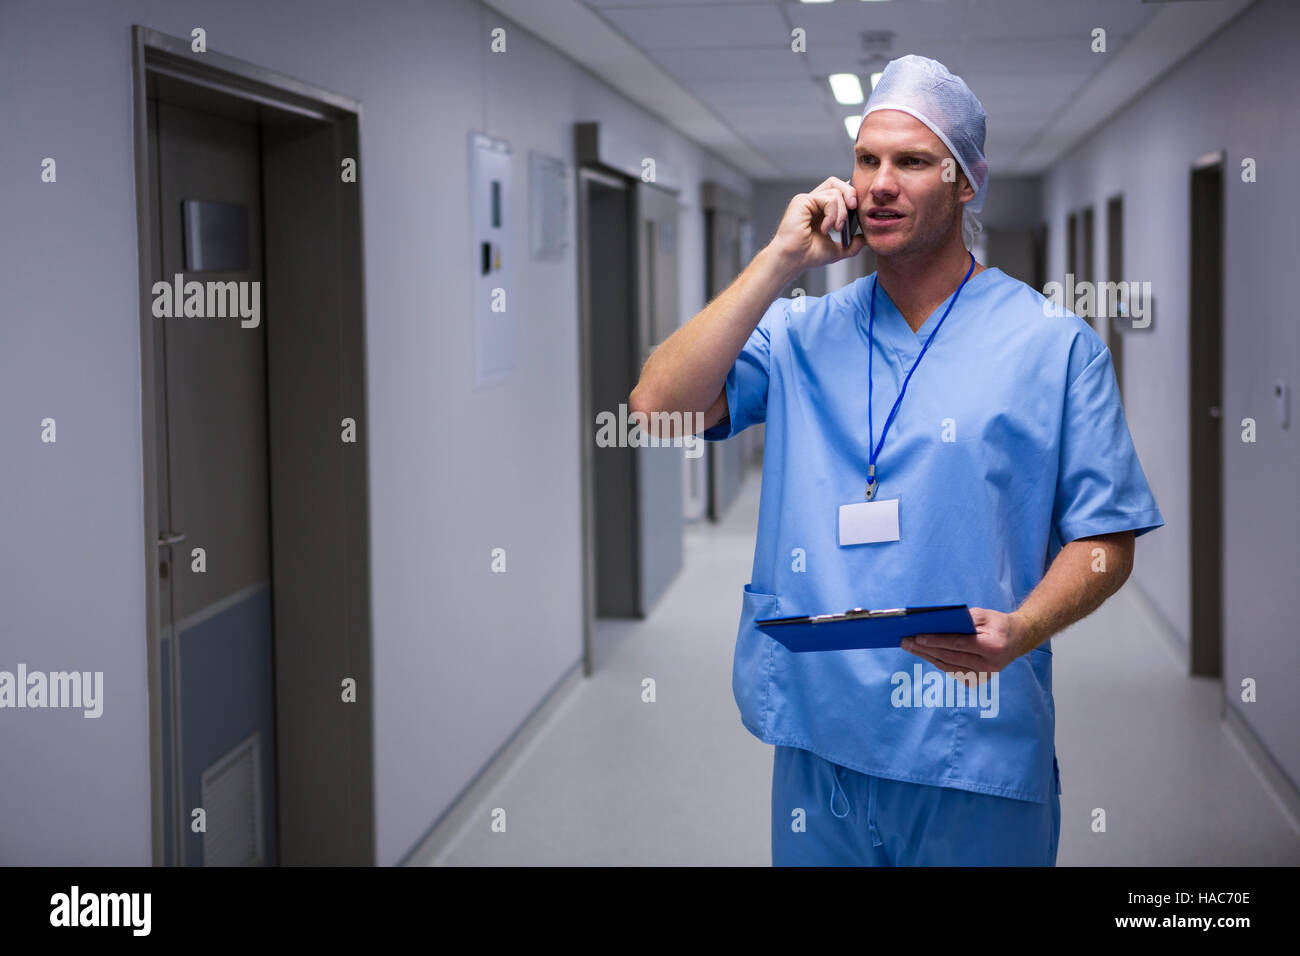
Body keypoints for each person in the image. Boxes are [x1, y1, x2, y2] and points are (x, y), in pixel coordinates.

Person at [628, 54, 1164, 866]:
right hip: (822, 746)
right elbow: (654, 408)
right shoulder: (800, 332)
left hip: (972, 745)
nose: (880, 182)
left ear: (965, 182)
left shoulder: (1054, 347)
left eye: (912, 162)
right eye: (866, 159)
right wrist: (778, 263)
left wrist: (1024, 628)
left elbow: (1106, 542)